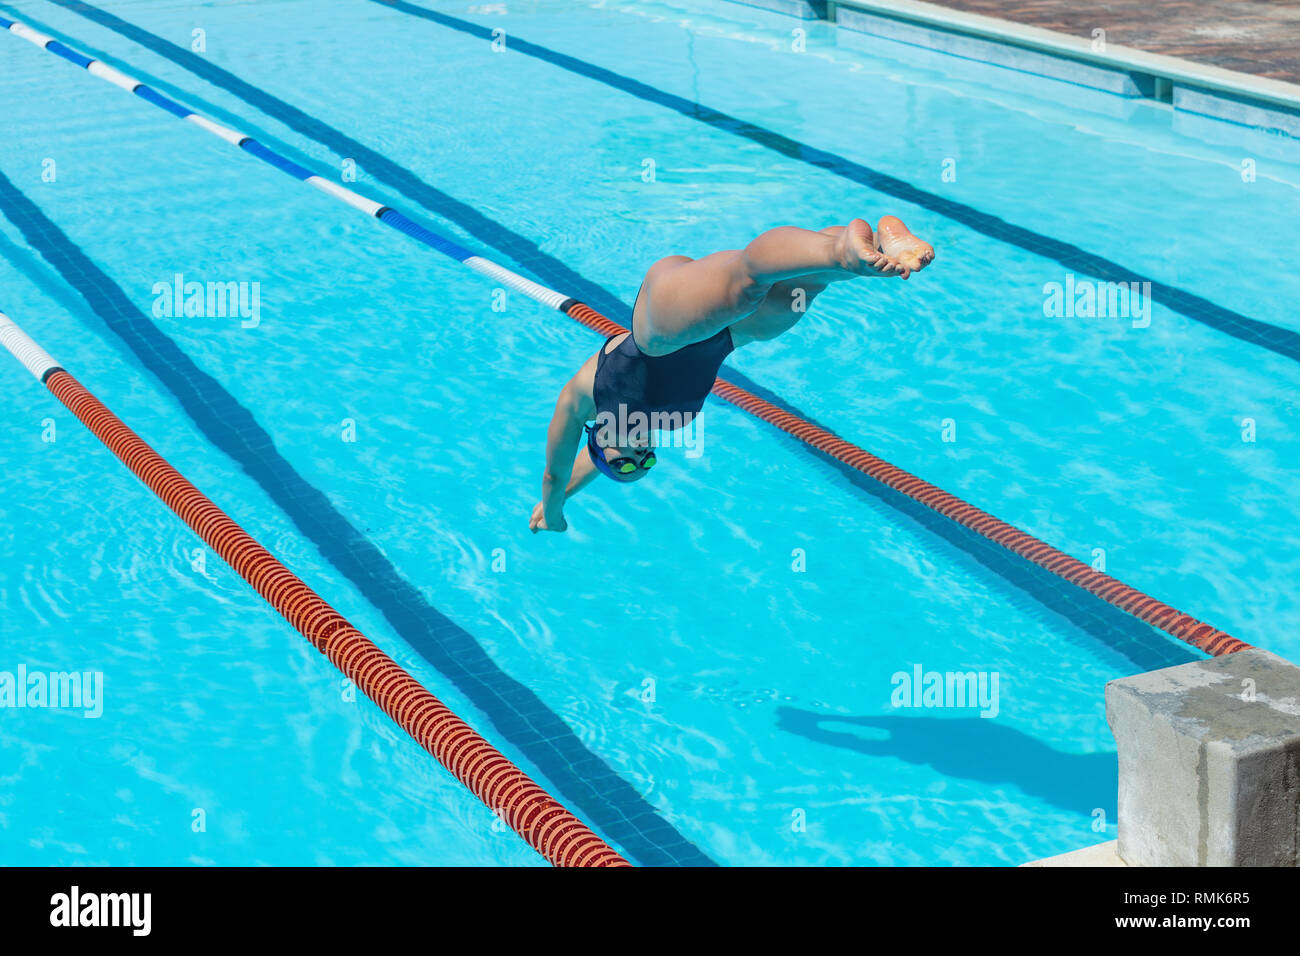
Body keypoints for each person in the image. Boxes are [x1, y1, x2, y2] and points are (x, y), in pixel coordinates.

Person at [529, 216, 935, 533]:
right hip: (731, 336)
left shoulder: (582, 401)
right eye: (645, 458)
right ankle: (883, 246)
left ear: (596, 436)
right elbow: (600, 463)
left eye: (625, 458)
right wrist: (582, 486)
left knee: (747, 283)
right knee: (805, 285)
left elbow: (558, 470)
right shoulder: (645, 427)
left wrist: (553, 510)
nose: (638, 450)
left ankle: (847, 249)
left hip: (662, 323)